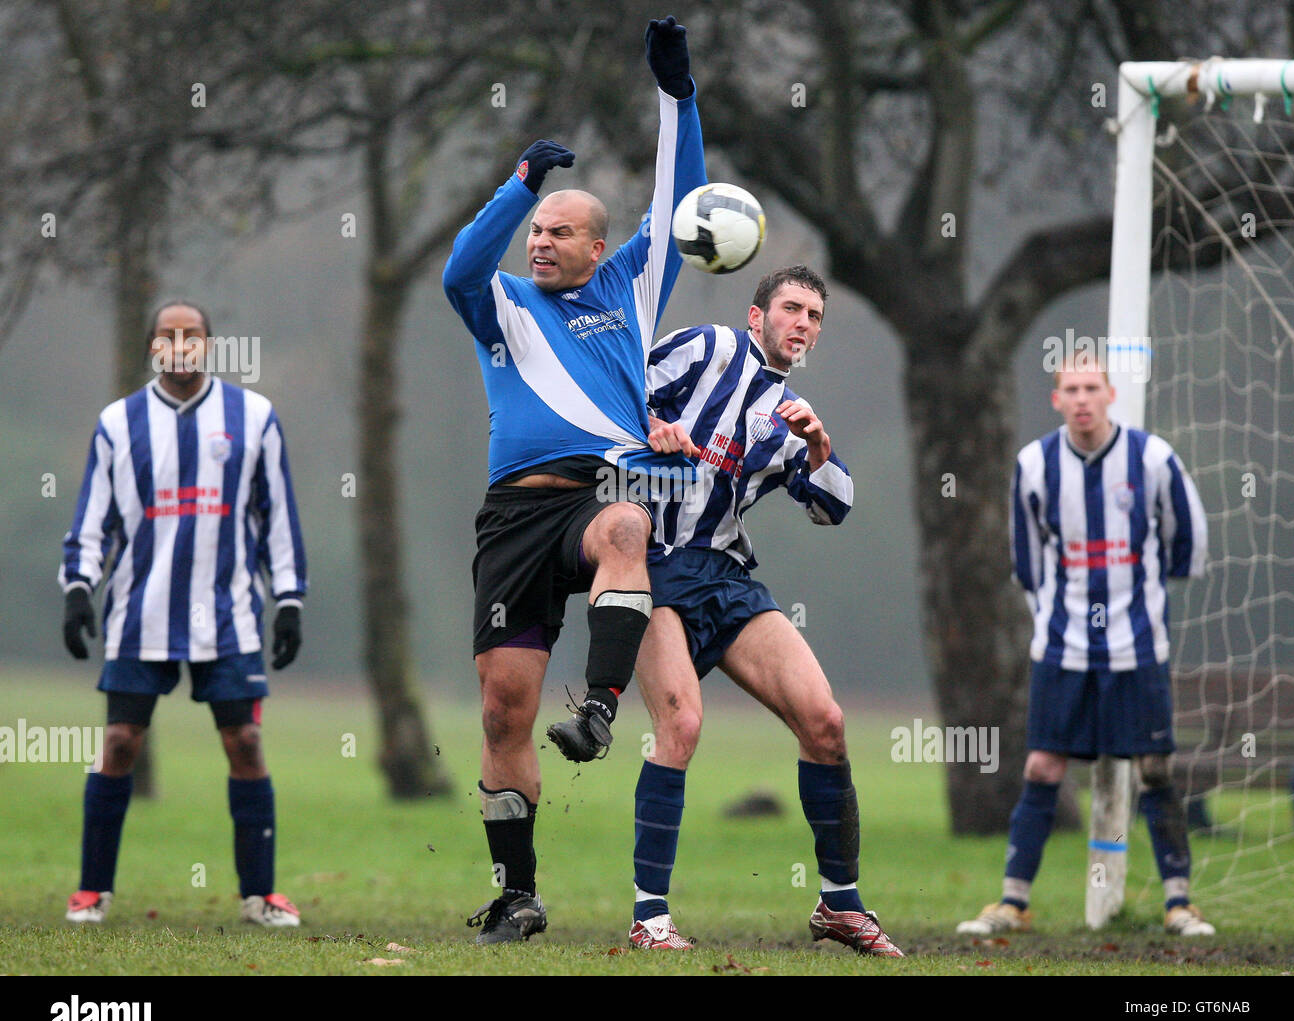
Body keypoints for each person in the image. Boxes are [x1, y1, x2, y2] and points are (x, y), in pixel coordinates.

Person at [441, 16, 705, 944]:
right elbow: (460, 266)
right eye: (537, 231)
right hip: (514, 514)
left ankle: (598, 708)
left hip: (602, 493)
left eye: (558, 231)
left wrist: (678, 93)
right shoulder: (501, 301)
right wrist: (518, 187)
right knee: (502, 707)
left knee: (627, 526)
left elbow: (684, 196)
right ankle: (517, 893)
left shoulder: (630, 289)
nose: (541, 242)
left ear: (600, 248)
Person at [623, 264, 905, 956]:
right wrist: (655, 424)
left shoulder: (788, 417)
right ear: (758, 317)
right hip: (653, 566)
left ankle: (840, 903)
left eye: (814, 313)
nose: (802, 321)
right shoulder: (708, 347)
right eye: (790, 307)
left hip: (725, 575)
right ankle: (649, 916)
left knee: (826, 721)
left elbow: (832, 507)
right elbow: (616, 389)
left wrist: (816, 444)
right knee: (681, 724)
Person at [60, 299, 307, 928]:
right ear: (153, 348)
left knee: (246, 743)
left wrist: (288, 600)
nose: (180, 344)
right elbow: (95, 516)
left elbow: (276, 514)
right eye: (168, 336)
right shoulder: (119, 422)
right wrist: (79, 588)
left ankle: (260, 894)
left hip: (230, 618)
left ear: (209, 345)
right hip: (140, 614)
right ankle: (92, 891)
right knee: (118, 742)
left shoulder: (253, 418)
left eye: (192, 335)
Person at [957, 353, 1212, 937]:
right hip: (1064, 646)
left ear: (1109, 394)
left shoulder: (1151, 458)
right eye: (1069, 388)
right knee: (1044, 764)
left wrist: (1138, 596)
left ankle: (1179, 902)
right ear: (1056, 399)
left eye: (1091, 388)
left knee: (1154, 766)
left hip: (1137, 646)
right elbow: (1027, 562)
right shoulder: (1035, 464)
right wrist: (1056, 613)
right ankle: (1012, 902)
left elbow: (1185, 542)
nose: (1081, 399)